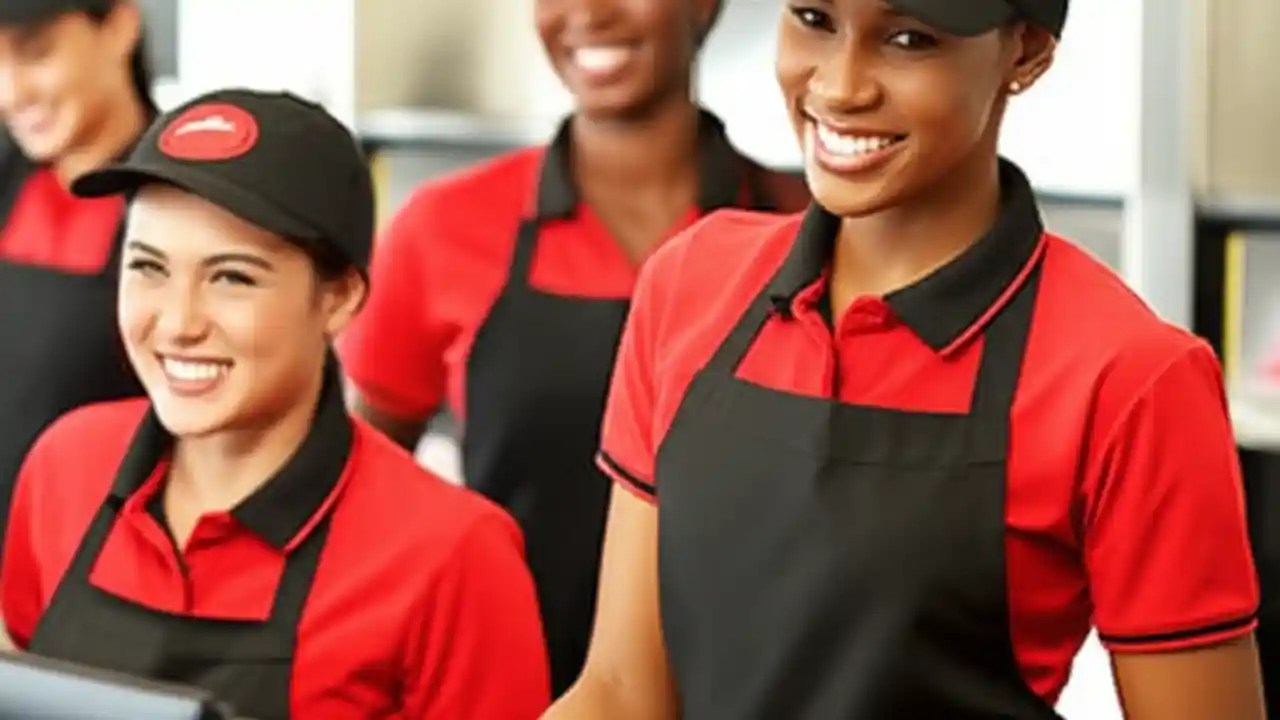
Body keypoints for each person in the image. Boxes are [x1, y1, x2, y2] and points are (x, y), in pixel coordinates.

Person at [545, 0, 1269, 718]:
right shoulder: (690, 284)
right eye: (814, 19)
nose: (839, 86)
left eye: (907, 39)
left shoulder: (1132, 378)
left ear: (1026, 52)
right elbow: (619, 694)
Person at [0, 88, 550, 720]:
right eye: (148, 267)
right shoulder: (64, 467)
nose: (178, 322)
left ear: (339, 297)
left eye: (231, 277)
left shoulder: (456, 557)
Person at [337, 0, 809, 698]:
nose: (588, 12)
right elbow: (363, 503)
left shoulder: (810, 232)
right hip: (510, 695)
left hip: (761, 695)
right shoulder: (443, 228)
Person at [0, 0, 155, 547]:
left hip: (101, 583)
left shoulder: (183, 207)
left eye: (36, 53)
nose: (10, 94)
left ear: (118, 26)